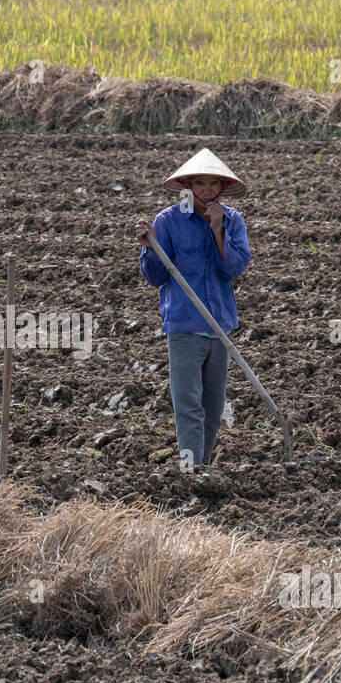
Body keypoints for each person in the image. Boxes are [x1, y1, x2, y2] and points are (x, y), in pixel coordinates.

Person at [133, 149, 251, 468]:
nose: (207, 191)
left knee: (212, 409)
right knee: (188, 407)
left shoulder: (233, 221)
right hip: (184, 326)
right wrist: (150, 247)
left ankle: (205, 469)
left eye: (214, 184)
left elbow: (232, 269)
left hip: (219, 327)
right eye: (199, 183)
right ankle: (189, 470)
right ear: (187, 185)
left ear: (223, 188)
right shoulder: (168, 222)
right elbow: (156, 277)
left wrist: (217, 230)